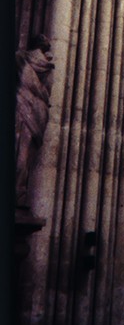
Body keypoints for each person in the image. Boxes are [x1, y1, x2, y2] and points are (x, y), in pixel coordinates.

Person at [15, 34, 54, 209]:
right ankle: (18, 195)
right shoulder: (45, 67)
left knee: (21, 156)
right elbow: (46, 94)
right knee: (23, 158)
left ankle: (18, 195)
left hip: (23, 109)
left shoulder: (20, 58)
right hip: (32, 113)